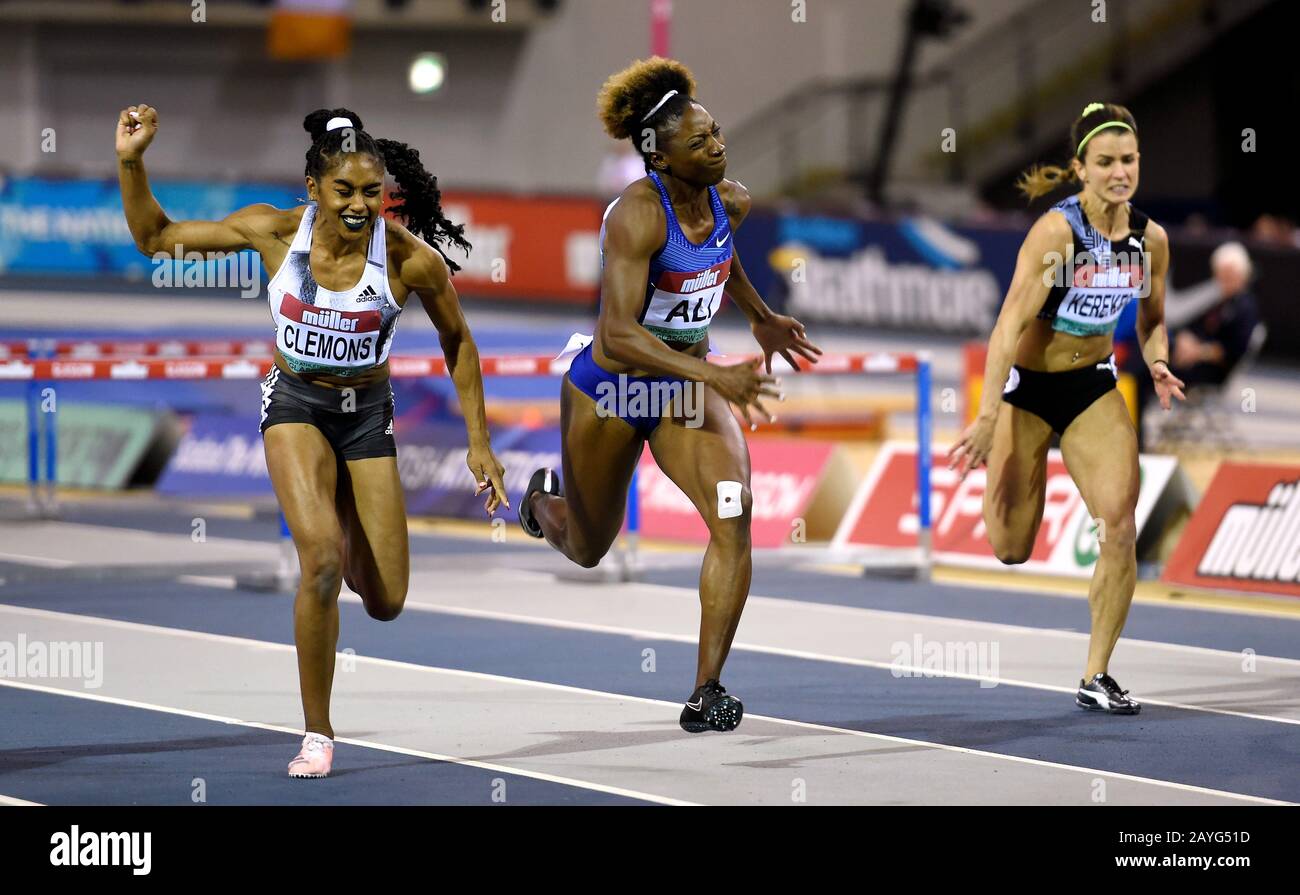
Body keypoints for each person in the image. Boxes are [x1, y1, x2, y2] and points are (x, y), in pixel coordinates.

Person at [117, 104, 509, 777]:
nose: (360, 207)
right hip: (296, 403)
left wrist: (480, 440)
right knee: (320, 562)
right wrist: (131, 161)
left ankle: (348, 520)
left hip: (367, 414)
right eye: (345, 191)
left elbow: (459, 341)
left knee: (386, 601)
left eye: (372, 193)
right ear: (314, 190)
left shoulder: (412, 262)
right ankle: (318, 733)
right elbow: (157, 239)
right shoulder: (274, 233)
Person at [517, 58, 822, 732]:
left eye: (717, 134)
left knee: (733, 515)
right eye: (702, 142)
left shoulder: (729, 198)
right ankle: (539, 502)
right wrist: (718, 375)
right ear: (662, 157)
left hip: (686, 391)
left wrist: (760, 315)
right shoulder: (633, 217)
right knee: (590, 546)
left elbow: (720, 255)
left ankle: (706, 688)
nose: (718, 147)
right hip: (613, 393)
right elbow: (619, 334)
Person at [948, 102, 1185, 715]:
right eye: (1105, 162)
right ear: (1081, 168)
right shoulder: (1058, 233)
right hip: (1027, 388)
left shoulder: (1149, 240)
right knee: (1011, 548)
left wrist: (1157, 361)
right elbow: (1005, 329)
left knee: (1121, 524)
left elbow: (1153, 321)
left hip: (1093, 388)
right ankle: (1022, 470)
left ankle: (1095, 674)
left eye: (1128, 161)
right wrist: (986, 416)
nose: (1119, 172)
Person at [1170, 241, 1261, 393]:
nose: (1224, 282)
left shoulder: (1245, 307)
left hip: (1212, 370)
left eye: (1229, 276)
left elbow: (1235, 348)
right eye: (1221, 276)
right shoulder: (1216, 300)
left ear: (1242, 276)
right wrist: (1185, 339)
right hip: (1191, 358)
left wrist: (1199, 352)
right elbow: (1193, 325)